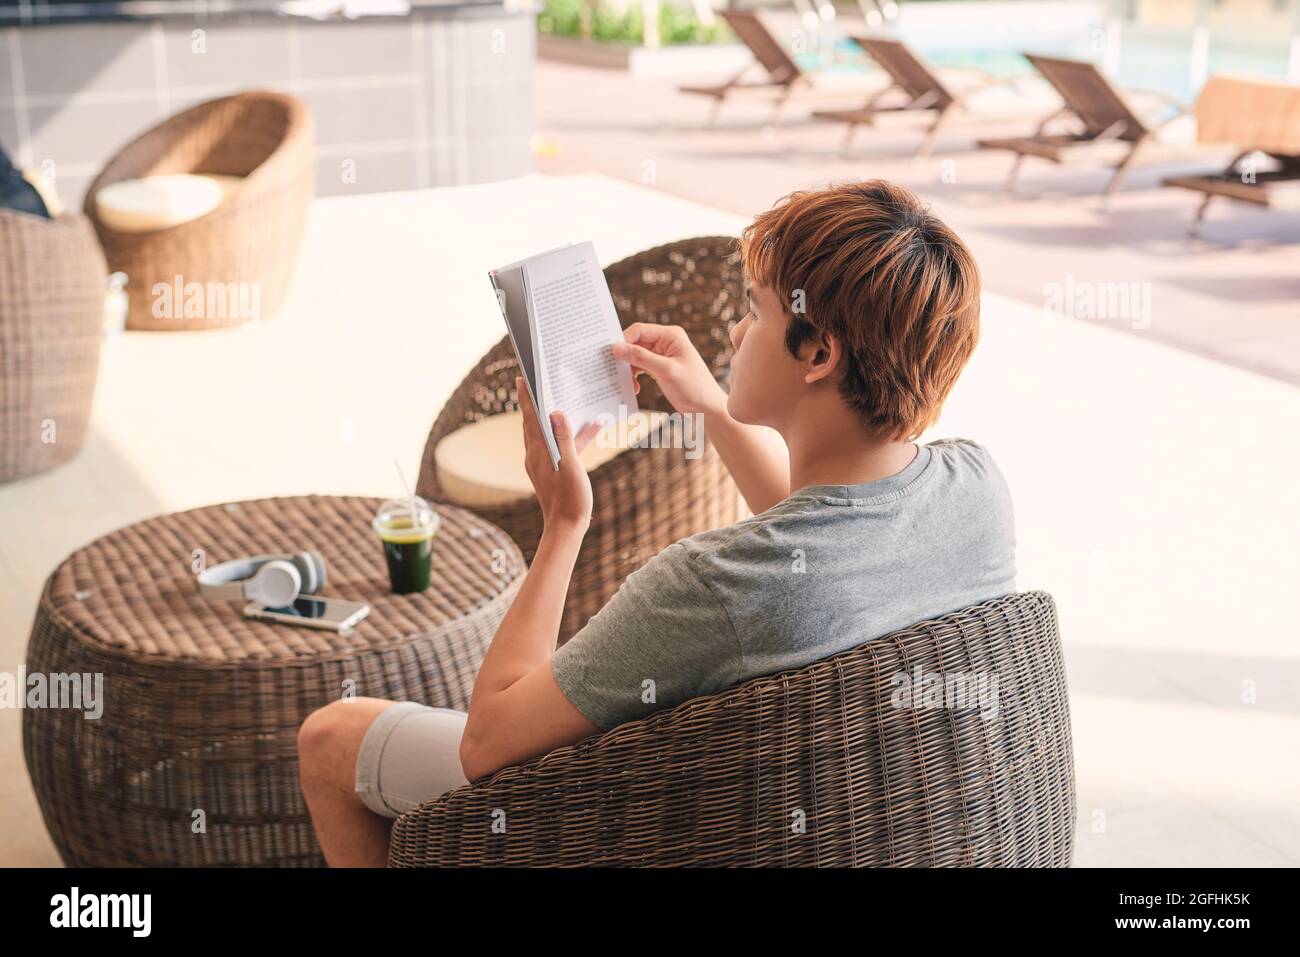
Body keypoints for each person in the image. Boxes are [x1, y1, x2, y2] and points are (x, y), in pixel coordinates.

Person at [298, 179, 1015, 866]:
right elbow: (825, 547)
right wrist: (706, 406)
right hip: (874, 824)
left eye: (756, 311)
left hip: (637, 825)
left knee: (332, 734)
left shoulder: (709, 582)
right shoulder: (977, 490)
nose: (735, 330)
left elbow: (486, 743)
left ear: (820, 353)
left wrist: (563, 522)